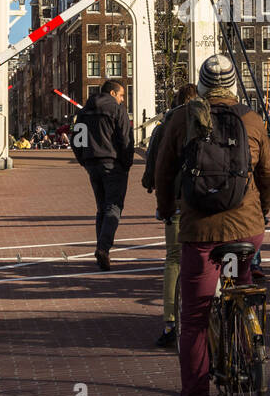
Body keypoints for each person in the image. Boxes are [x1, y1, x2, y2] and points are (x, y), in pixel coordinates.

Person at [153, 54, 270, 396]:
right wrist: (262, 215)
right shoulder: (252, 120)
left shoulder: (182, 118)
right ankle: (248, 336)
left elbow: (164, 171)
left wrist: (165, 209)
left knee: (195, 320)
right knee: (241, 282)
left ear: (202, 85)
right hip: (246, 228)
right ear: (234, 84)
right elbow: (267, 174)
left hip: (200, 231)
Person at [142, 82, 199, 348]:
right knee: (211, 257)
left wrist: (153, 188)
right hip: (205, 202)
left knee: (174, 259)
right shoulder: (211, 123)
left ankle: (170, 322)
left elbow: (154, 166)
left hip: (176, 202)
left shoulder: (165, 126)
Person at [72, 79, 135, 270]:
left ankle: (102, 248)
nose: (123, 99)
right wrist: (126, 163)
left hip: (92, 163)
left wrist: (84, 159)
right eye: (122, 95)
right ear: (113, 94)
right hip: (113, 164)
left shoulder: (83, 111)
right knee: (113, 207)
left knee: (102, 208)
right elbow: (126, 138)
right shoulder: (117, 110)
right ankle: (103, 247)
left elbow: (77, 139)